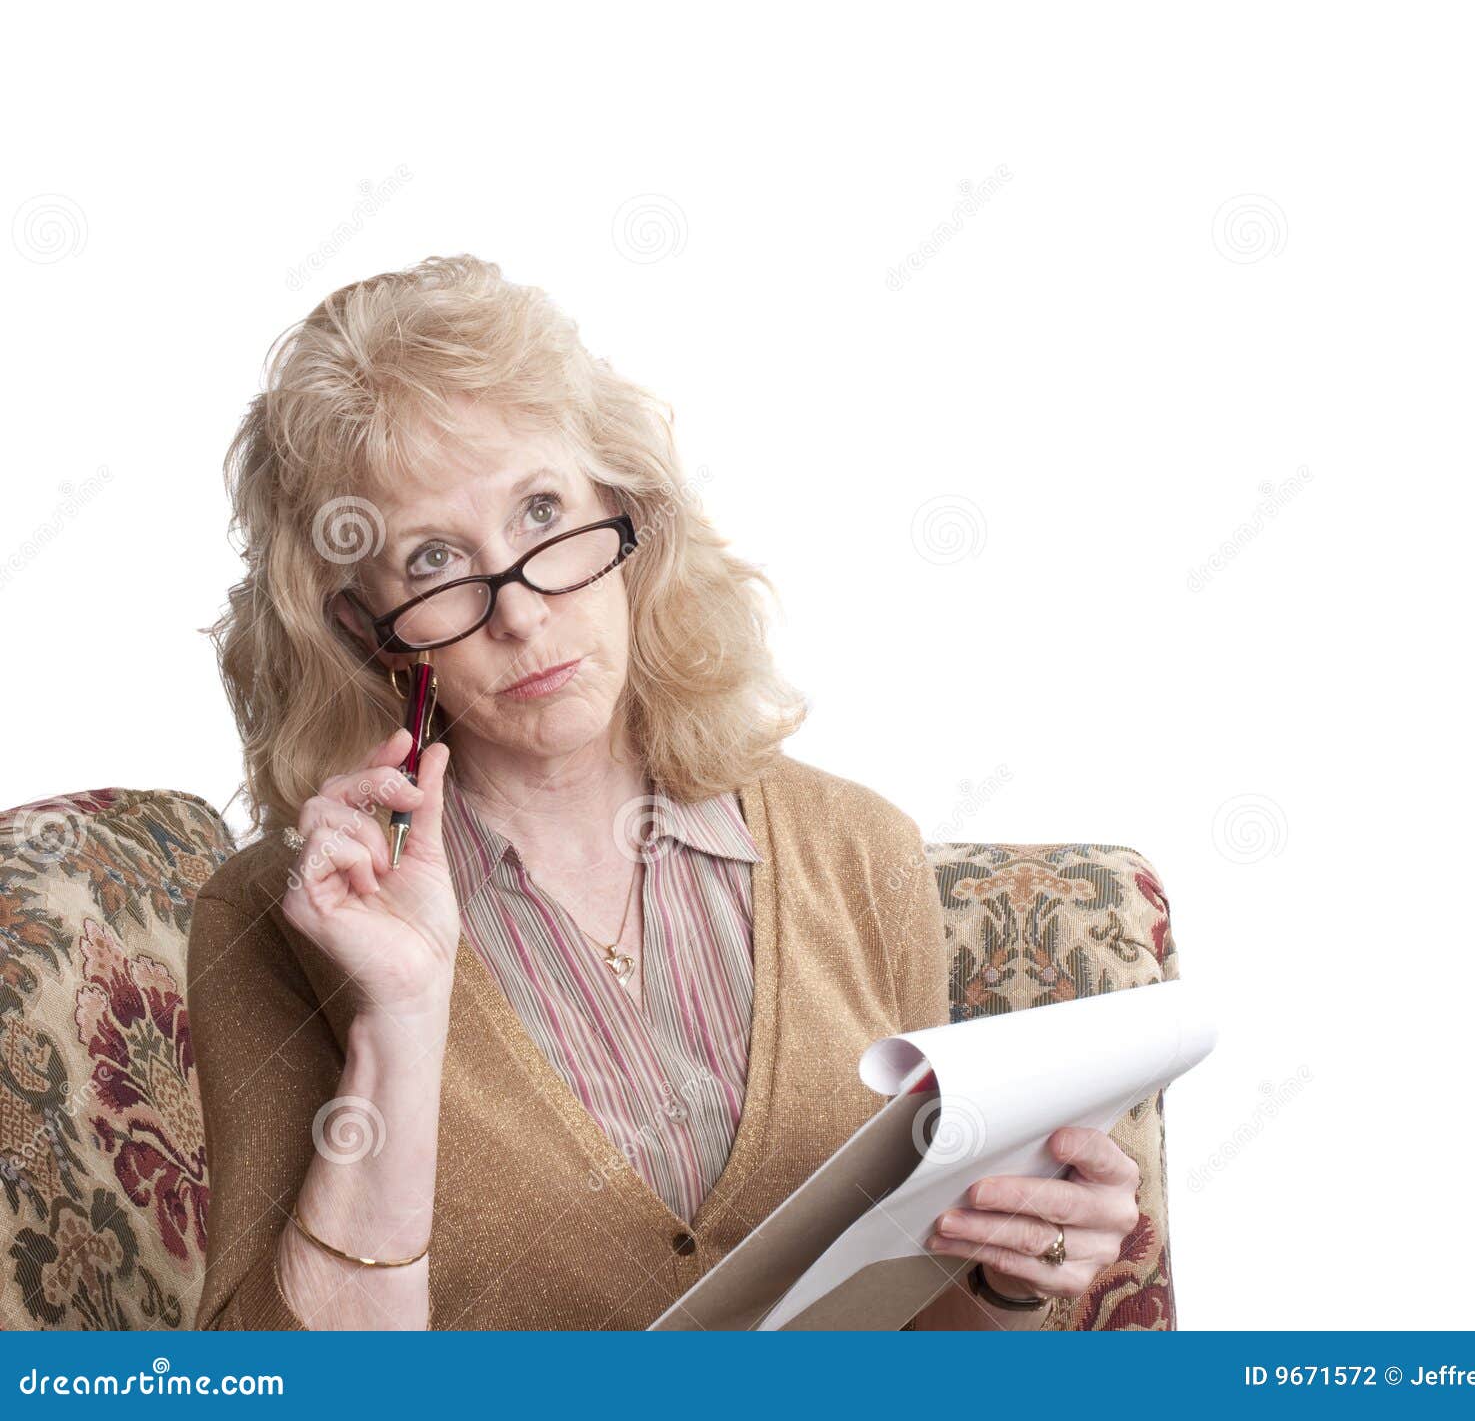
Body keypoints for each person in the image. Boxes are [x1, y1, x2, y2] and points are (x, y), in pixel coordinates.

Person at [188, 254, 1140, 1330]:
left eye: (543, 512)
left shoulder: (857, 848)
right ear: (366, 627)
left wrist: (1004, 1274)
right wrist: (397, 1023)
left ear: (626, 510)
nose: (521, 610)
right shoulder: (275, 922)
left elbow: (914, 1336)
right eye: (433, 562)